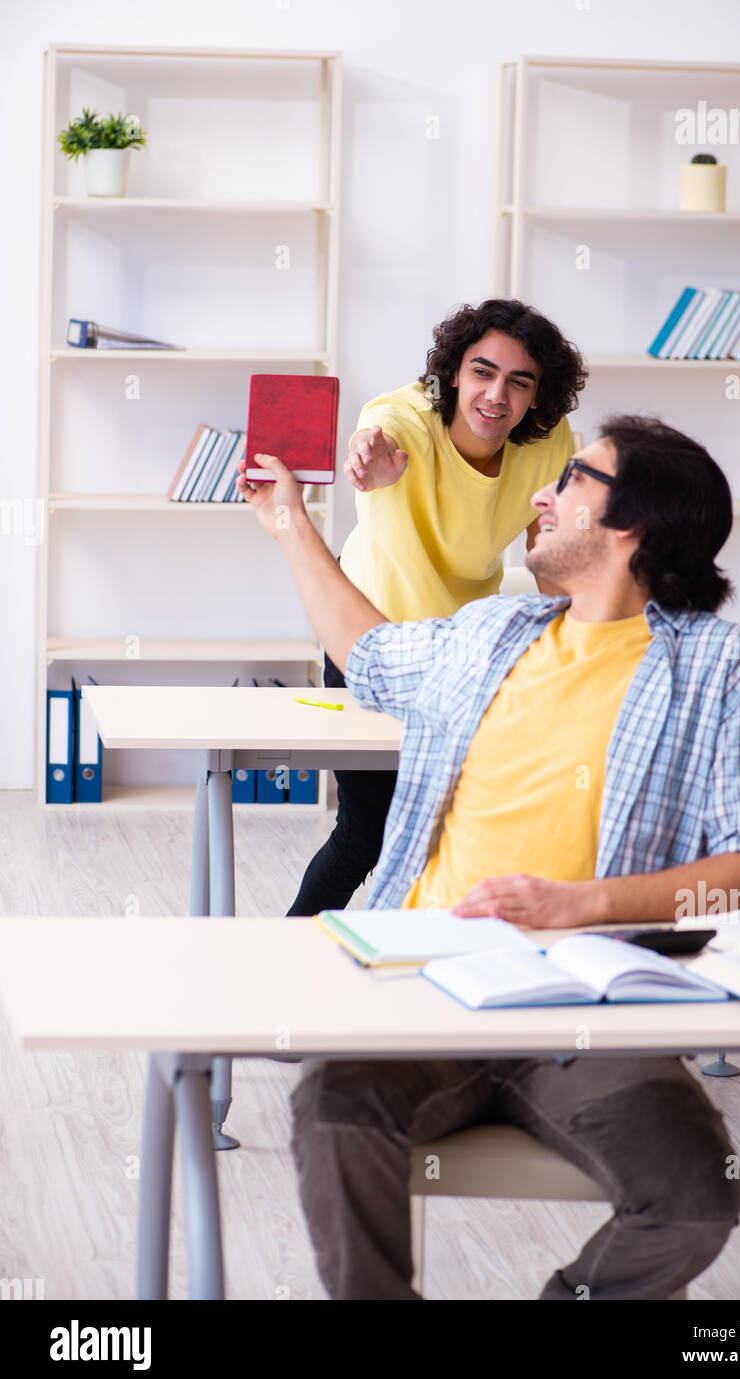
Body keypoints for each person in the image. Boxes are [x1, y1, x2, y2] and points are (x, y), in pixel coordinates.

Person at [239, 414, 740, 1300]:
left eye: (572, 478)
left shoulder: (730, 669)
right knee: (334, 1112)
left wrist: (583, 904)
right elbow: (368, 652)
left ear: (635, 525)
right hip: (419, 980)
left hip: (590, 1002)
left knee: (692, 1196)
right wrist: (290, 526)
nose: (540, 493)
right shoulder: (489, 632)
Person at [286, 298, 586, 916]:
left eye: (518, 382)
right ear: (453, 372)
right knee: (365, 834)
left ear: (537, 395)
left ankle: (413, 971)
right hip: (367, 635)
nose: (496, 395)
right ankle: (284, 957)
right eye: (482, 371)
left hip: (460, 647)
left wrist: (578, 641)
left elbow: (548, 553)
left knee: (454, 830)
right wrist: (374, 459)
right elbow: (376, 440)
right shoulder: (402, 419)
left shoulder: (551, 441)